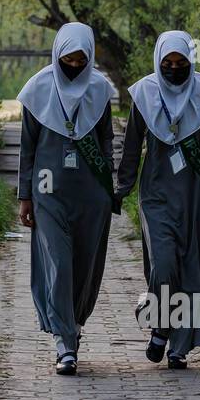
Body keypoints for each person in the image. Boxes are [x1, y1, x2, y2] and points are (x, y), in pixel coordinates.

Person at [115, 30, 200, 370]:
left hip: (196, 197)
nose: (174, 68)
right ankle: (160, 324)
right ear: (158, 62)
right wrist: (121, 189)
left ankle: (179, 347)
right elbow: (131, 149)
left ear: (191, 61)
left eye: (181, 62)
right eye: (167, 63)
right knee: (165, 264)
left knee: (191, 270)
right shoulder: (144, 94)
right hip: (156, 195)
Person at [17, 22, 117, 375]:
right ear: (57, 54)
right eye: (67, 59)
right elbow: (27, 148)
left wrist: (109, 187)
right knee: (59, 263)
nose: (73, 65)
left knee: (83, 265)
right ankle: (64, 343)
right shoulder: (37, 89)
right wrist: (24, 197)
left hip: (91, 196)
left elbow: (106, 141)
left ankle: (74, 324)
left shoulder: (100, 89)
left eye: (80, 59)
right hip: (49, 194)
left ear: (89, 58)